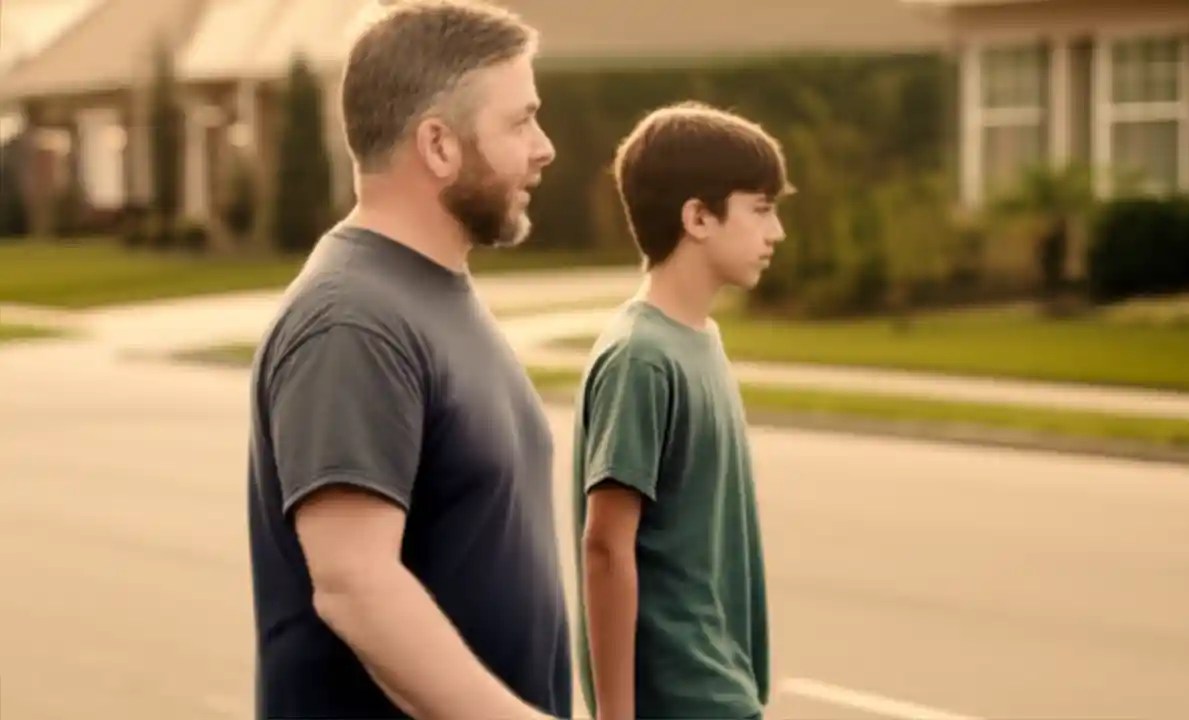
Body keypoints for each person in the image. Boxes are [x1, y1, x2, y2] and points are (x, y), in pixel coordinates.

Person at [245, 2, 569, 718]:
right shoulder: (352, 321)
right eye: (520, 121)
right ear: (439, 145)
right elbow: (354, 583)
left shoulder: (428, 292)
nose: (544, 147)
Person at [571, 101, 792, 720]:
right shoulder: (641, 359)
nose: (776, 233)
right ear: (698, 216)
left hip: (725, 686)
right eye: (762, 209)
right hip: (684, 698)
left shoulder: (700, 340)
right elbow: (606, 547)